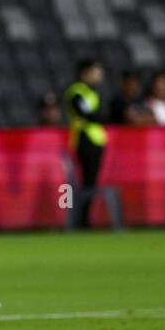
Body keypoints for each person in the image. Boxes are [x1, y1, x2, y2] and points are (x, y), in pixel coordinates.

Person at [63, 59, 108, 230]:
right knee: (84, 181)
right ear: (85, 73)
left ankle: (85, 218)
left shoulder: (92, 92)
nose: (99, 75)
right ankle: (80, 220)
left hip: (95, 140)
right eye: (96, 71)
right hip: (84, 140)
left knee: (91, 182)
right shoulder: (76, 92)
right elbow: (89, 115)